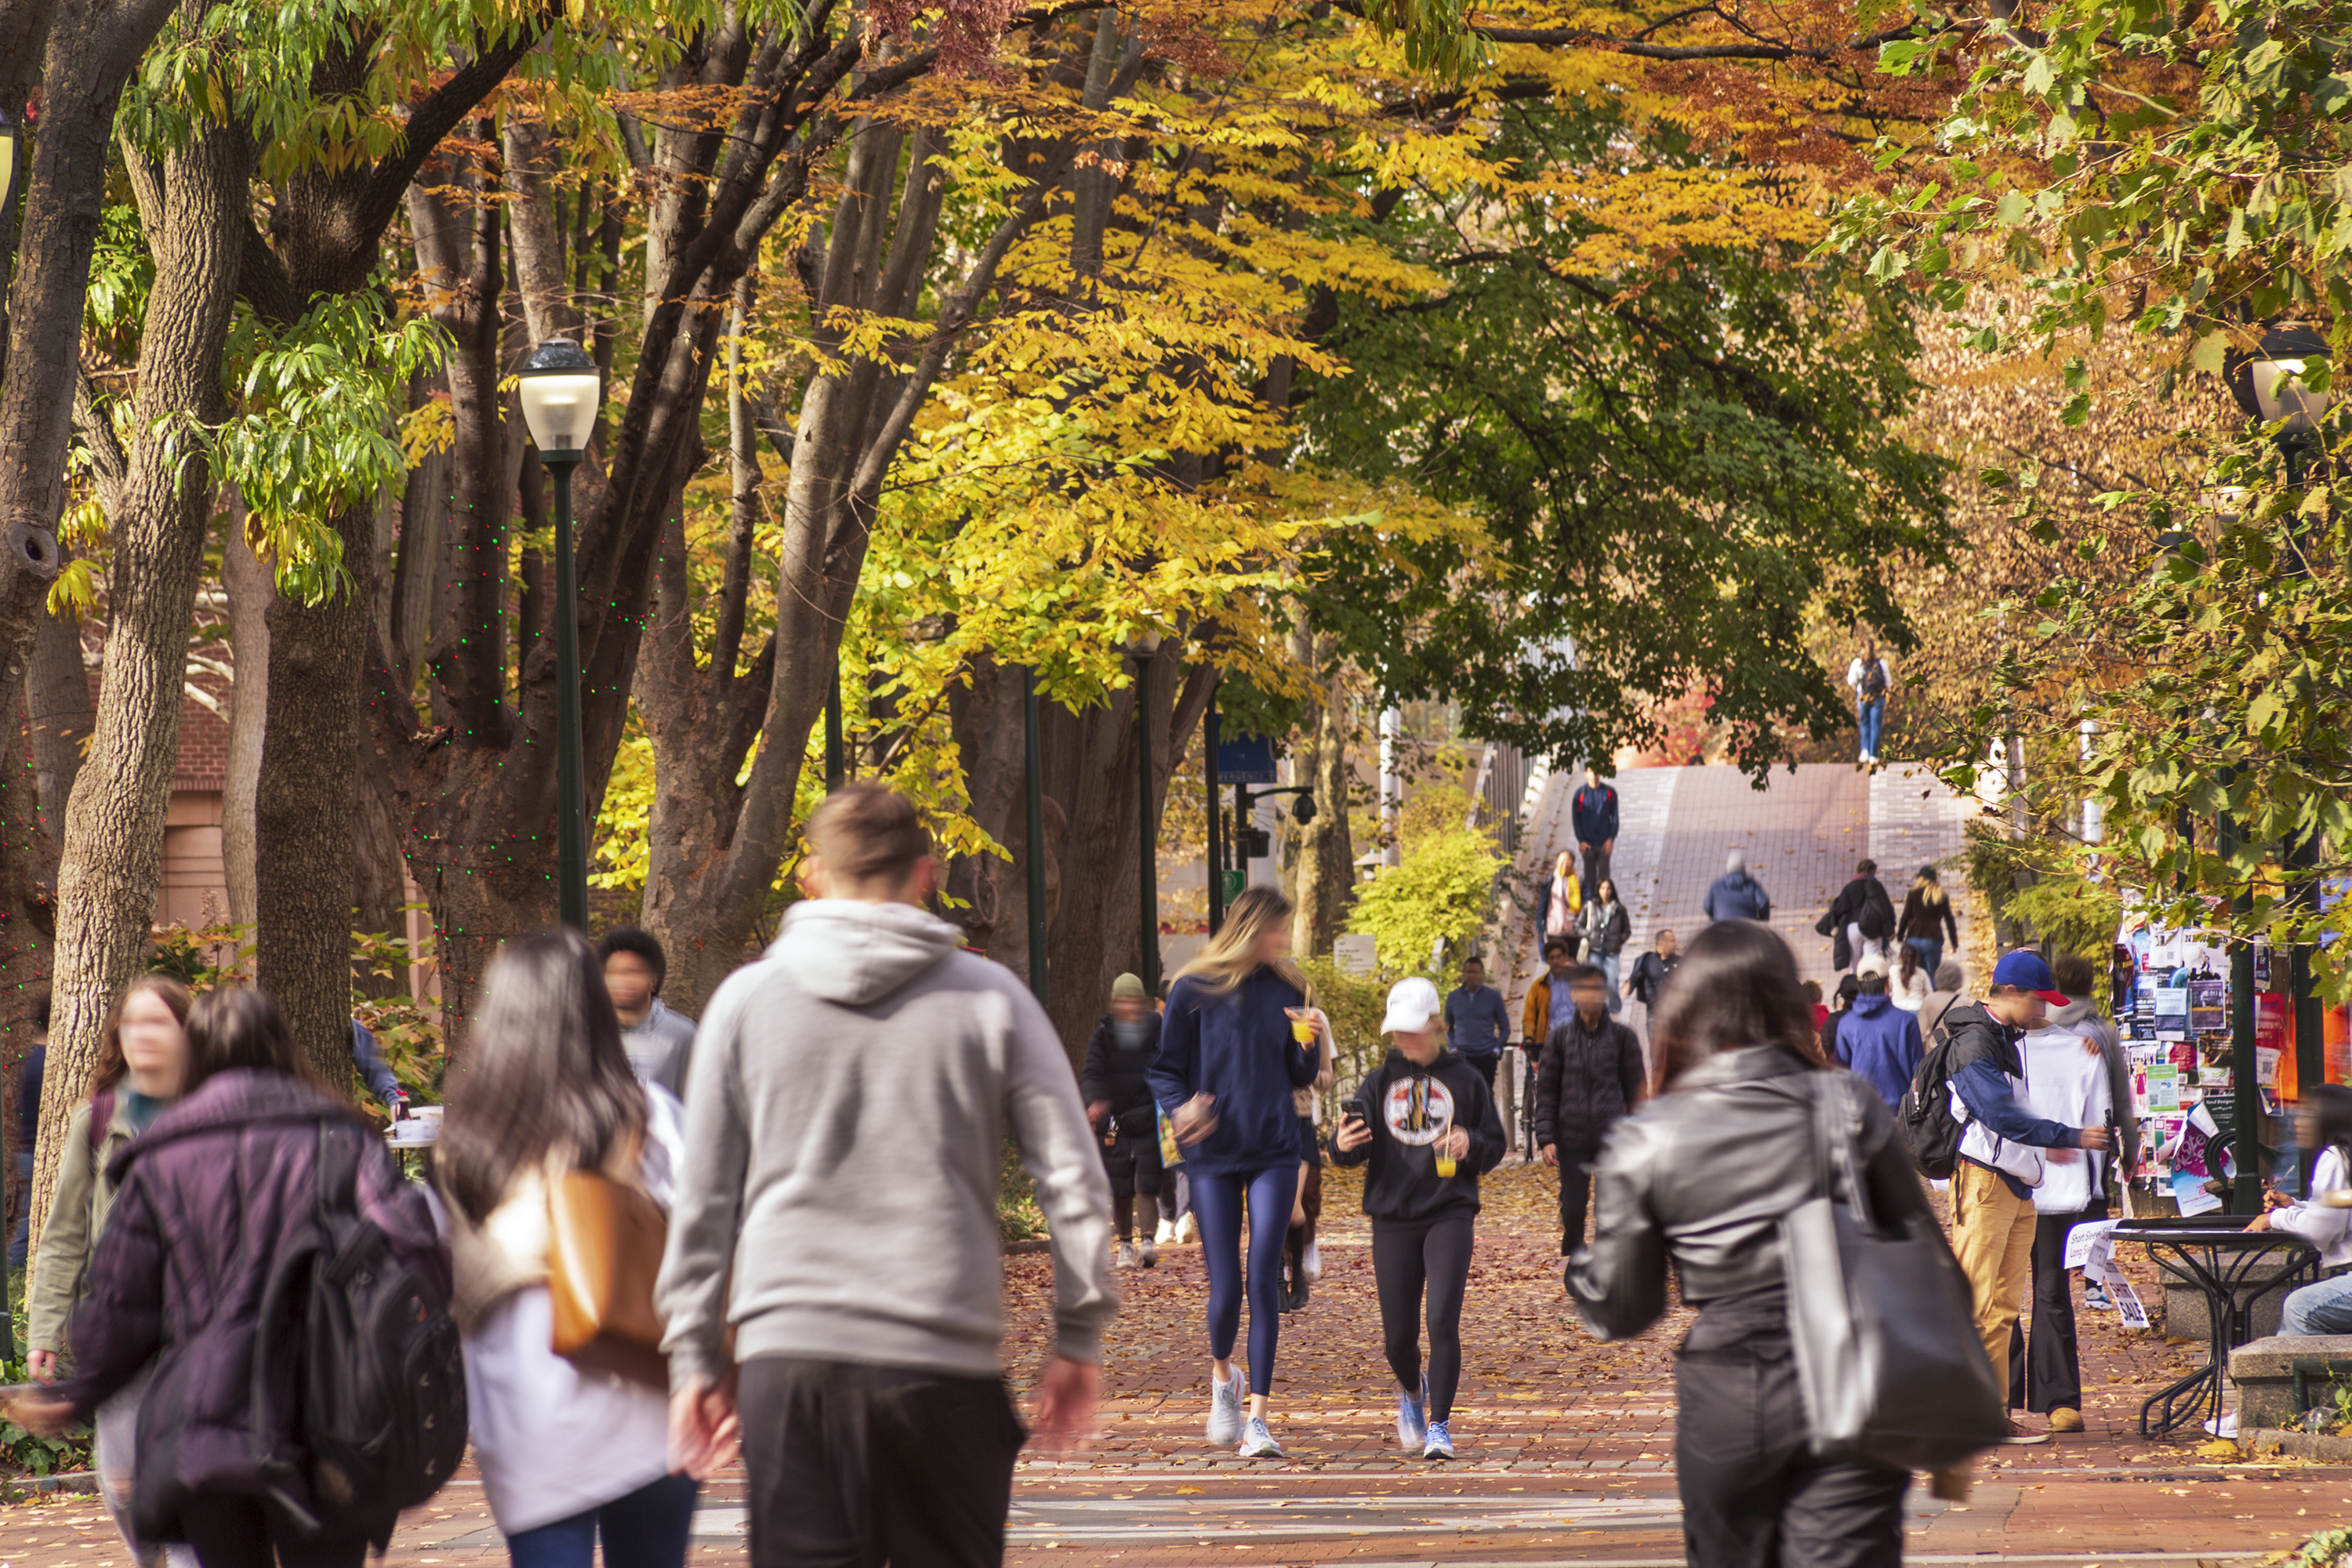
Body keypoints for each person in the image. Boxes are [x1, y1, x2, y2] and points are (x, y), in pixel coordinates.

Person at [659, 782, 1115, 1563]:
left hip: (789, 1356)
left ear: (813, 874)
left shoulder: (744, 1002)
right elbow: (1071, 1175)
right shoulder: (990, 998)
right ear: (927, 872)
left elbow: (702, 1198)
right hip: (941, 1354)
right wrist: (1078, 1331)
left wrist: (694, 1357)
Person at [14, 988, 444, 1568]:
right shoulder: (342, 1140)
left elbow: (124, 1304)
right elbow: (412, 1252)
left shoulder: (163, 1159)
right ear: (282, 1048)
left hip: (207, 1424)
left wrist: (76, 1395)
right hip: (331, 1416)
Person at [1570, 920, 1937, 1566]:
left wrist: (1583, 1270)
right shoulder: (1846, 1104)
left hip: (1729, 1388)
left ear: (1685, 1008)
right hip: (1852, 1377)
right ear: (1786, 1004)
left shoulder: (1650, 1136)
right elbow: (1922, 1252)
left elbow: (1624, 1308)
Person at [430, 931, 699, 1568]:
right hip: (642, 1393)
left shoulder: (460, 1140)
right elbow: (700, 1237)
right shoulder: (644, 1115)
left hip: (521, 1415)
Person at [1146, 884, 1323, 1459]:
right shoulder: (1192, 990)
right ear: (1253, 930)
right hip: (1214, 1154)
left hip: (1274, 1147)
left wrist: (1308, 1043)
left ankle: (1259, 1421)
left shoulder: (1288, 987)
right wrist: (1181, 1108)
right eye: (1279, 930)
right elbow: (1164, 1070)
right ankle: (1225, 1377)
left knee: (1262, 1279)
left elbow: (1299, 1074)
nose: (1285, 941)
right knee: (1224, 1292)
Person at [26, 975, 193, 1568]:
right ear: (117, 1037)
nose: (143, 1035)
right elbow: (65, 1231)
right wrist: (45, 1328)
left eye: (158, 1022)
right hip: (119, 1329)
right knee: (121, 1478)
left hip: (197, 1328)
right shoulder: (95, 1122)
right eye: (133, 1023)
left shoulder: (211, 1112)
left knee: (190, 1471)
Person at [1331, 977, 1504, 1461]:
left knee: (1442, 1320)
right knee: (1397, 1340)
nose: (1405, 1041)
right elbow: (1347, 1150)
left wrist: (1471, 1142)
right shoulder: (1378, 1081)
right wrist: (1339, 1145)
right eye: (1397, 1032)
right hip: (1392, 1215)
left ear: (1436, 1025)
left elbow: (1495, 1145)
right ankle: (1412, 1390)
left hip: (1450, 1210)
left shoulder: (1466, 1078)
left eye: (1413, 1030)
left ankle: (1440, 1427)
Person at [1943, 950, 2111, 1444]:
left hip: (2020, 1183)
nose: (2046, 1010)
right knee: (1981, 1299)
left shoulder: (2004, 1039)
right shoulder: (1977, 1042)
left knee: (2001, 1305)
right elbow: (2000, 1114)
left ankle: (1992, 1413)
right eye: (2039, 1000)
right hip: (1989, 1181)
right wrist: (2066, 1137)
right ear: (2012, 993)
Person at [2005, 968, 2120, 1437]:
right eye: (2037, 998)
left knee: (2050, 1293)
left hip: (2057, 1192)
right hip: (2003, 1187)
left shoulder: (2080, 1052)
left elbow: (2099, 1125)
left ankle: (2059, 1399)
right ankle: (2001, 1399)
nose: (2044, 1008)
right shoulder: (1986, 1048)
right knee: (2001, 1297)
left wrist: (2095, 1193)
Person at [1534, 964, 1644, 1256]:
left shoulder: (1623, 1038)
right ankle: (1576, 1255)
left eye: (1597, 989)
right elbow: (1546, 1090)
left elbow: (1637, 1094)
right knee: (1572, 1209)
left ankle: (1605, 1268)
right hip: (1571, 1140)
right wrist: (1546, 1138)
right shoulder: (1559, 1039)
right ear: (1573, 994)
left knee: (1608, 1211)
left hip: (1613, 1140)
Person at [2050, 954, 2139, 1312]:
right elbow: (2122, 1100)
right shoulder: (2102, 1033)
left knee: (2053, 1206)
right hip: (2096, 1141)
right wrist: (2130, 1149)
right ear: (2090, 986)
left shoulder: (2040, 1028)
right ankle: (2093, 1283)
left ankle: (2053, 1281)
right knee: (2096, 1210)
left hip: (2053, 1138)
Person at [2250, 1085, 2352, 1334]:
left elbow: (2323, 1230)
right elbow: (2336, 1215)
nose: (2297, 1123)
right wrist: (2295, 1205)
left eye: (2307, 1115)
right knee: (2297, 1315)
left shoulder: (2335, 1158)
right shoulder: (2344, 1157)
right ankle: (2291, 1370)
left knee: (2300, 1306)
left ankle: (2308, 1373)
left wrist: (2275, 1217)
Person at [1082, 973, 1166, 1271]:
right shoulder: (1102, 1036)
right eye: (1123, 1001)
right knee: (1119, 1187)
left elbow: (1167, 1066)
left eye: (1134, 1000)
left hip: (1146, 1119)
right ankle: (1125, 1245)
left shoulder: (1157, 1030)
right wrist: (1095, 1101)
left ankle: (1148, 1242)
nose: (1129, 1006)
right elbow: (1092, 1072)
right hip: (1114, 1123)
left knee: (1145, 1182)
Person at [597, 927, 698, 1099]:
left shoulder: (683, 1036)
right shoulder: (586, 1033)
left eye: (634, 972)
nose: (623, 981)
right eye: (614, 973)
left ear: (653, 981)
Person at [1831, 954, 1923, 1110]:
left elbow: (1841, 1074)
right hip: (1900, 1114)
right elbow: (1920, 1072)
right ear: (1888, 983)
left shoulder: (1846, 1024)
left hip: (1862, 1113)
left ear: (1859, 986)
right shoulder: (1906, 1021)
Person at [9, 986, 47, 1273]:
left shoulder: (33, 1058)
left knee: (29, 1219)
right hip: (37, 1152)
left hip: (29, 1150)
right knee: (29, 1224)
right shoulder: (45, 1061)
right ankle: (10, 1277)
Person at [1443, 956, 1510, 1093]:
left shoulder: (1493, 997)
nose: (1472, 975)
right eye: (1469, 972)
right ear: (1464, 974)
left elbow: (1505, 1028)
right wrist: (1453, 1048)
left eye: (1476, 972)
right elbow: (1446, 1028)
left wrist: (1496, 1049)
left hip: (1486, 1056)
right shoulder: (1454, 997)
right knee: (1463, 1096)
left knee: (1485, 1095)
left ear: (1483, 975)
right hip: (1462, 1057)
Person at [1816, 858, 1893, 972]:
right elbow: (1887, 907)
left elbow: (1839, 909)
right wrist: (1891, 926)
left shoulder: (1849, 887)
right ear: (1873, 871)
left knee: (1856, 964)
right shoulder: (1877, 886)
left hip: (1853, 929)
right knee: (1873, 960)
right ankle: (1872, 985)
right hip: (1873, 928)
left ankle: (1856, 986)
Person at [1897, 866, 1960, 980]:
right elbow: (1949, 919)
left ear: (1920, 878)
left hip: (1913, 938)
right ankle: (1932, 997)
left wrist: (1900, 937)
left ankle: (1919, 997)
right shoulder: (1941, 895)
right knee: (1932, 975)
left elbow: (1905, 916)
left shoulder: (1913, 893)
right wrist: (1954, 942)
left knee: (1916, 975)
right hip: (1933, 939)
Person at [1580, 879, 1631, 1016]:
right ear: (1598, 890)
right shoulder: (1590, 906)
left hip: (1612, 950)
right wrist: (1589, 935)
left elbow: (1627, 930)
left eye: (1608, 888)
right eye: (1603, 888)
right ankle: (1594, 1006)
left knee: (1612, 980)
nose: (1606, 892)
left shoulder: (1619, 909)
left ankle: (1615, 1007)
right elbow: (1578, 926)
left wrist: (1619, 940)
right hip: (1595, 949)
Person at [1570, 767, 1619, 902]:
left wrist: (1611, 839)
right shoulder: (1580, 794)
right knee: (1589, 880)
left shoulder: (1609, 792)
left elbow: (1614, 818)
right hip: (1588, 844)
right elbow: (1576, 820)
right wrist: (1581, 841)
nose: (1594, 775)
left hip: (1604, 843)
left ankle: (1605, 905)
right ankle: (1591, 907)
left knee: (1604, 879)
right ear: (1586, 773)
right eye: (1591, 771)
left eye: (1596, 771)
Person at [1621, 928, 1679, 1041]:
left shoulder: (1680, 962)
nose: (1676, 944)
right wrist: (1627, 989)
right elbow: (1633, 979)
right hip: (1655, 1015)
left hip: (1676, 1015)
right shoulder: (1647, 961)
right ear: (1660, 943)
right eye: (1672, 941)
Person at [1849, 642, 1891, 766]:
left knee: (1864, 722)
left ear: (1862, 648)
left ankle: (1864, 751)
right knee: (1876, 725)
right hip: (1878, 696)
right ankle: (1873, 755)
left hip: (1862, 695)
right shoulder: (1881, 663)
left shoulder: (1857, 663)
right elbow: (1888, 682)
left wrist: (1858, 689)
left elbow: (1851, 681)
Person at [1702, 848, 1771, 924]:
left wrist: (1716, 917)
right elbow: (1764, 902)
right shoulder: (1752, 885)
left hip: (1722, 929)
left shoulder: (1716, 886)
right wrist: (1762, 918)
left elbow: (1707, 907)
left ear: (1728, 868)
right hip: (1747, 928)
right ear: (1743, 869)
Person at [1537, 851, 1581, 952]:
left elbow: (1587, 903)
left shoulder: (1579, 881)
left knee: (1572, 962)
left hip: (1573, 930)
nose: (1564, 866)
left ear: (1573, 863)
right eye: (1561, 862)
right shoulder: (1550, 880)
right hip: (1554, 930)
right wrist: (1540, 927)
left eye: (1567, 862)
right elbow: (1542, 905)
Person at [1920, 959, 1969, 1043]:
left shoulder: (1929, 1000)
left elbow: (1922, 1032)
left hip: (1936, 1049)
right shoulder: (1964, 1002)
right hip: (1957, 1050)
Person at [1889, 941, 1934, 1013]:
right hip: (1917, 1007)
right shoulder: (1922, 972)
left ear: (1900, 956)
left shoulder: (1893, 970)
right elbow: (1930, 994)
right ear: (1916, 958)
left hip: (1897, 1007)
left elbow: (1887, 990)